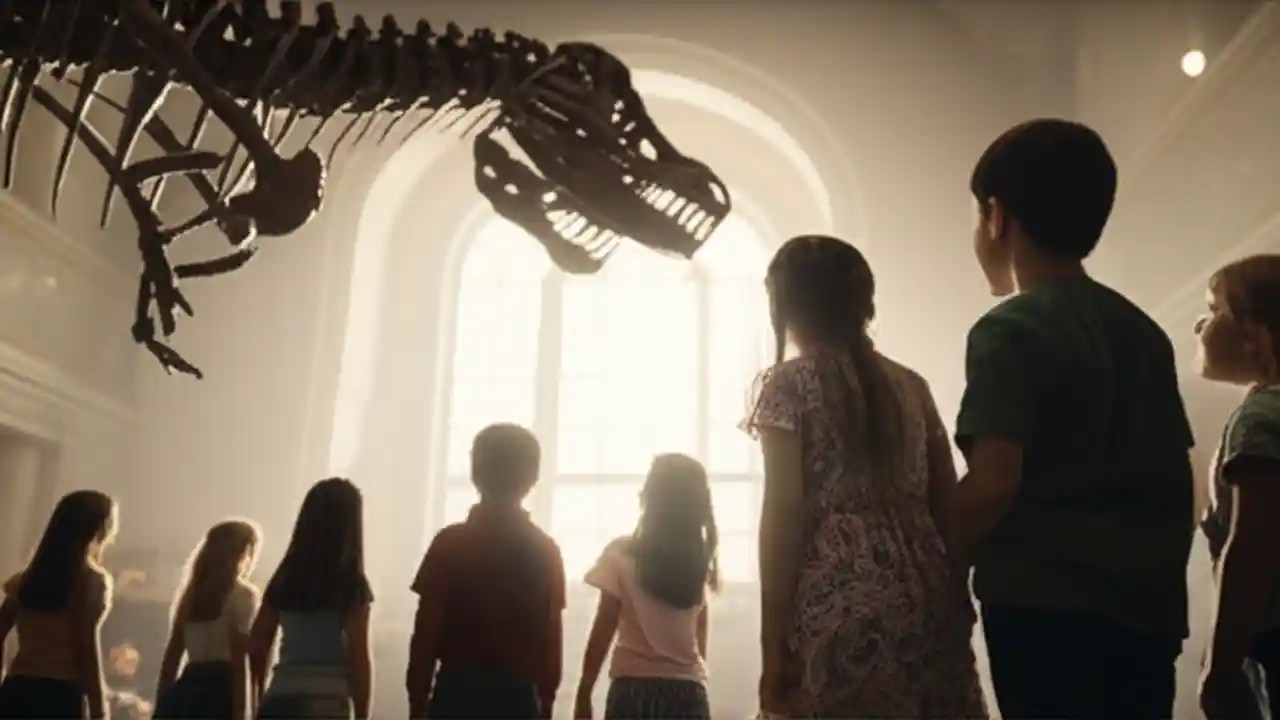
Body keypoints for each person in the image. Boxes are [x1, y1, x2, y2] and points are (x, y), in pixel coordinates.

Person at [951, 118, 1196, 718]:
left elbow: (992, 482)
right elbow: (1175, 480)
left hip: (1044, 613)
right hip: (1145, 616)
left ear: (997, 216)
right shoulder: (1143, 333)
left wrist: (926, 558)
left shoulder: (1007, 330)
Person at [744, 234, 985, 718]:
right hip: (925, 600)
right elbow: (948, 508)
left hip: (839, 605)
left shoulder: (790, 384)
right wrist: (955, 596)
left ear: (785, 305)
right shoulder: (911, 386)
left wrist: (773, 651)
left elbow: (783, 517)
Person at [407, 423, 565, 719]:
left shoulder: (449, 543)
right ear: (532, 477)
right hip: (518, 696)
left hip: (457, 692)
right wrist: (546, 700)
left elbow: (426, 628)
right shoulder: (545, 550)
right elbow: (550, 635)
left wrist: (417, 698)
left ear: (475, 472)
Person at [1195, 255, 1280, 720]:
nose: (1199, 325)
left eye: (1212, 311)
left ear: (1256, 334)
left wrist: (1220, 665)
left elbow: (1251, 549)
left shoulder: (1261, 420)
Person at [574, 454, 719, 720]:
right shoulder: (696, 561)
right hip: (688, 693)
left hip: (633, 691)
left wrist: (584, 691)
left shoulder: (621, 553)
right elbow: (700, 629)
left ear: (648, 497)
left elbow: (604, 626)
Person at [250, 478, 373, 720]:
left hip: (281, 696)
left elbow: (258, 645)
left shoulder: (285, 577)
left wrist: (258, 699)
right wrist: (362, 715)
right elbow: (358, 657)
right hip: (328, 701)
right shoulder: (351, 583)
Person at [0, 490, 118, 719]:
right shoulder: (91, 581)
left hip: (17, 688)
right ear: (98, 529)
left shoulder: (26, 580)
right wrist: (98, 708)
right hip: (60, 694)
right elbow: (86, 647)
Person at [154, 519, 262, 719]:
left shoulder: (191, 596)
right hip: (221, 690)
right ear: (245, 552)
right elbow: (240, 663)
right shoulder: (242, 596)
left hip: (188, 689)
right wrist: (242, 712)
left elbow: (170, 661)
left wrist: (161, 707)